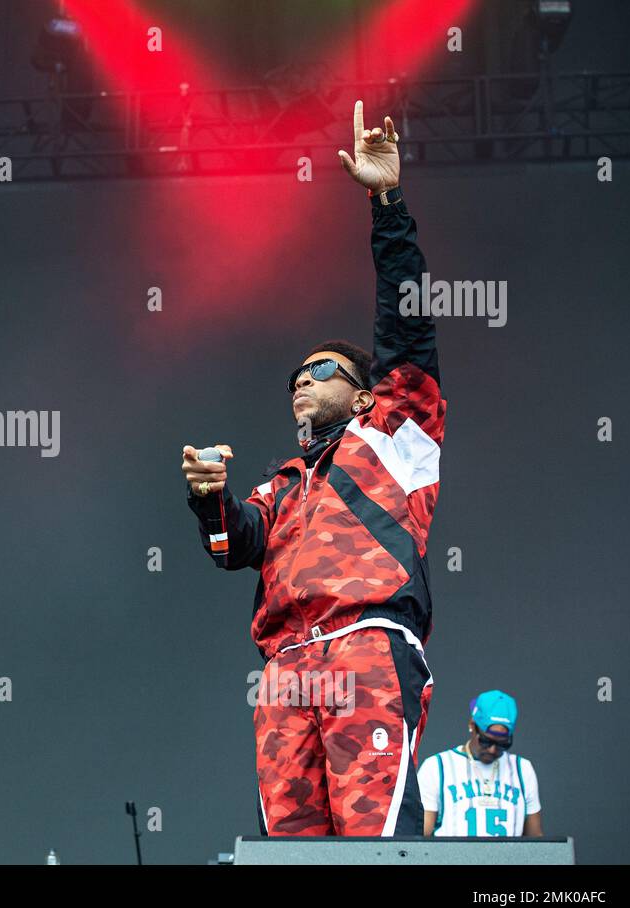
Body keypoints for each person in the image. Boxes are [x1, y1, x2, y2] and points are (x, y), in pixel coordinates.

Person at [182, 101, 445, 836]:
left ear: (364, 391)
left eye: (320, 368)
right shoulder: (284, 482)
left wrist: (385, 202)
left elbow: (409, 323)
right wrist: (210, 501)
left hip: (366, 644)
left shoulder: (395, 433)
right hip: (284, 668)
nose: (302, 379)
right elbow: (233, 548)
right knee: (290, 851)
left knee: (370, 843)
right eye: (294, 374)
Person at [418, 690, 543, 837]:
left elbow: (535, 841)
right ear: (472, 725)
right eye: (486, 741)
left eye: (502, 744)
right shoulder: (437, 766)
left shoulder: (523, 769)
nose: (492, 749)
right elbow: (421, 837)